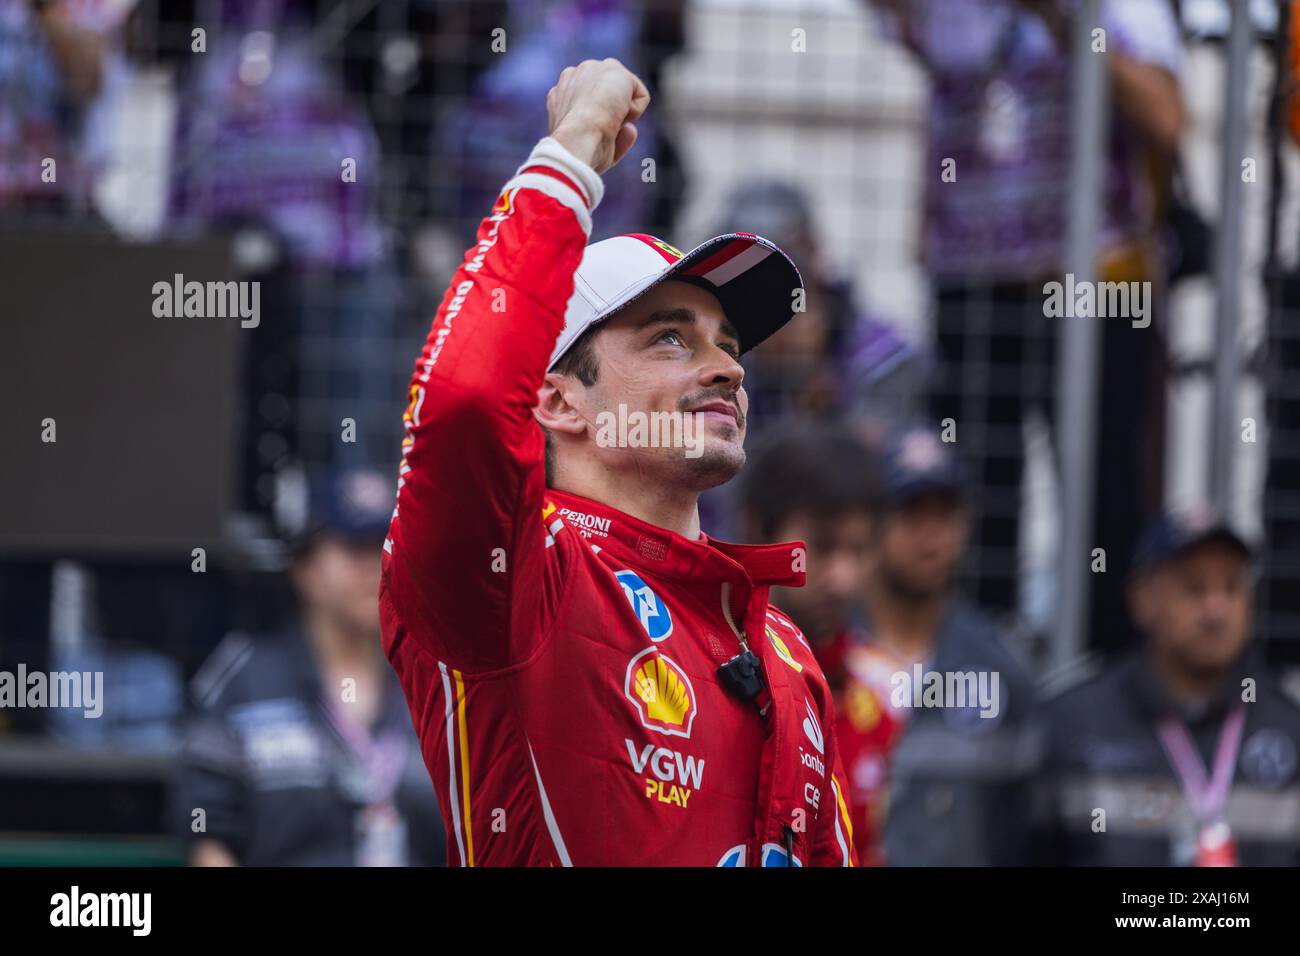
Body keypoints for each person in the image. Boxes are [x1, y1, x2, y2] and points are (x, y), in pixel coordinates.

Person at [380, 58, 856, 866]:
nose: (729, 370)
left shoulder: (784, 649)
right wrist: (570, 156)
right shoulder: (520, 577)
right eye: (671, 338)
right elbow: (462, 404)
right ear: (559, 401)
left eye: (730, 346)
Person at [866, 0, 1185, 648]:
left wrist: (1065, 23)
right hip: (974, 282)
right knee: (974, 487)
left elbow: (1167, 118)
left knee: (1107, 487)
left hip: (1096, 280)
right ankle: (981, 659)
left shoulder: (1127, 11)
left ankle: (1107, 663)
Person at [175, 469, 444, 866]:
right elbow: (209, 838)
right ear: (304, 569)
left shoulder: (438, 681)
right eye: (356, 548)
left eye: (387, 547)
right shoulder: (242, 677)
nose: (376, 566)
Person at [1042, 508, 1300, 866]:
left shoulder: (1288, 727)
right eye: (1194, 588)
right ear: (1142, 600)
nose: (1216, 610)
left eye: (1232, 586)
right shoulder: (1074, 723)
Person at [839, 424, 1041, 865]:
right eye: (912, 514)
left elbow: (1027, 828)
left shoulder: (1001, 668)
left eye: (945, 515)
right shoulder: (825, 654)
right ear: (872, 522)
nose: (931, 537)